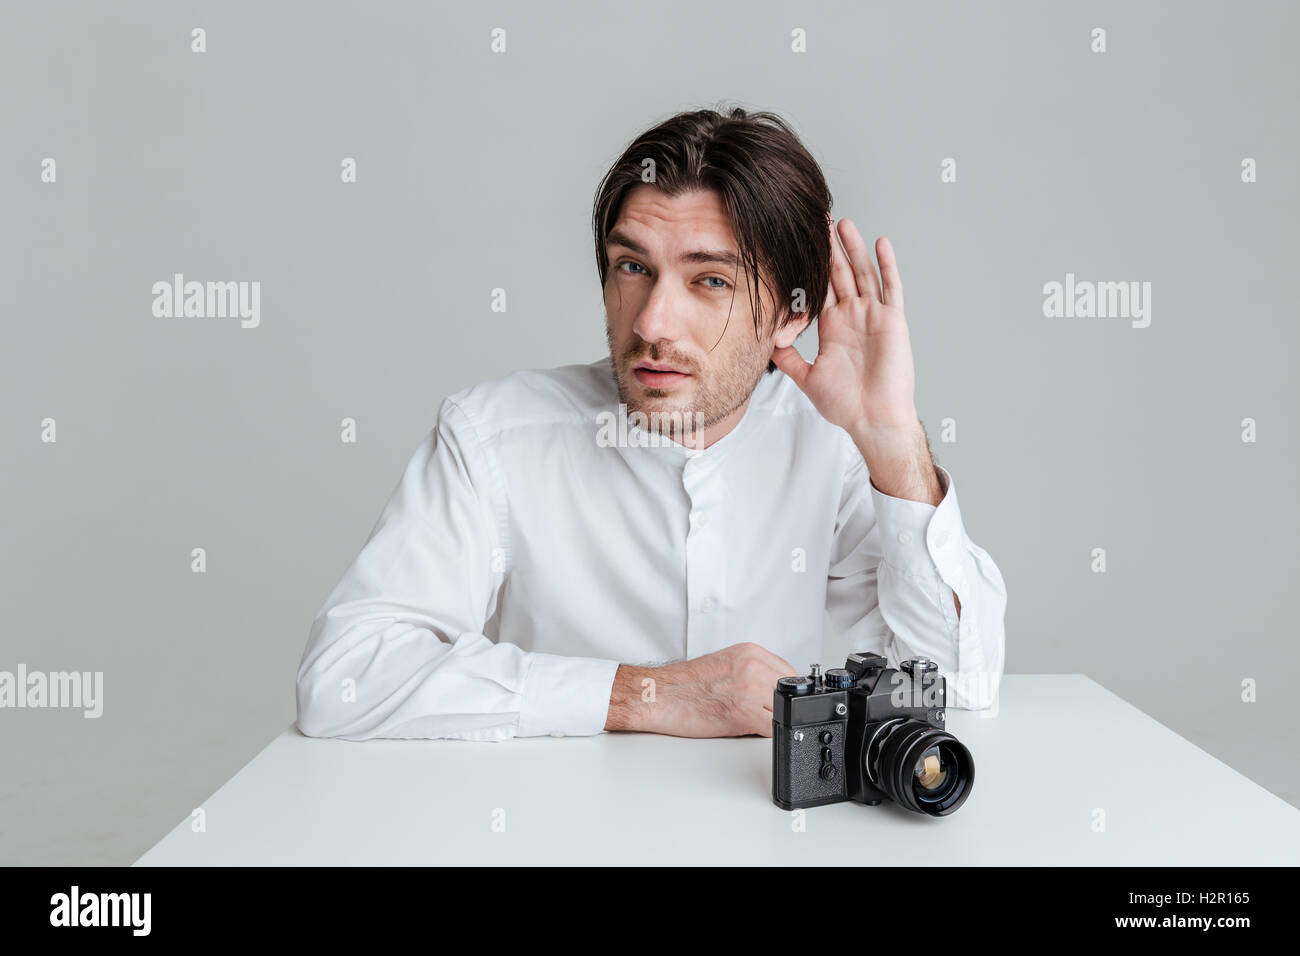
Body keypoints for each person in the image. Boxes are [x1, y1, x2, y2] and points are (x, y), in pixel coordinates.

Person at [295, 106, 1007, 742]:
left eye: (711, 280)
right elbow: (342, 679)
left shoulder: (831, 447)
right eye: (633, 267)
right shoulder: (493, 437)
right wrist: (648, 695)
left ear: (793, 313)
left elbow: (956, 690)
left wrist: (890, 439)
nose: (651, 322)